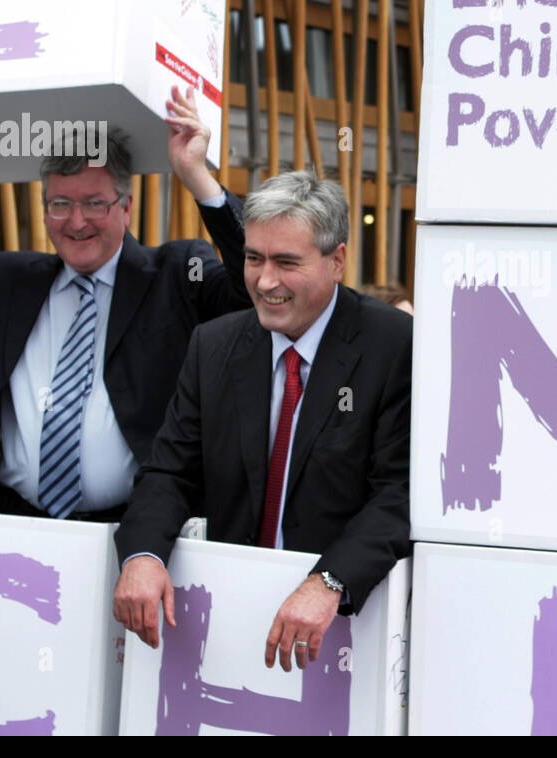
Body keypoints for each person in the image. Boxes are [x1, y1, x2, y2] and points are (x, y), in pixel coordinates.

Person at [0, 87, 250, 519]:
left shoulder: (178, 274)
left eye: (94, 204)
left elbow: (254, 290)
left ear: (127, 207)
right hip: (15, 525)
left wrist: (197, 176)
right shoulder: (7, 283)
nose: (76, 221)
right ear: (45, 210)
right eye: (60, 204)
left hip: (137, 537)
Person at [112, 171, 411, 674]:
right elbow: (169, 472)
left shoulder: (394, 345)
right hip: (231, 625)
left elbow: (398, 492)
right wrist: (143, 555)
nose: (265, 281)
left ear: (336, 260)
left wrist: (330, 582)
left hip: (350, 633)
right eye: (254, 259)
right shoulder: (214, 346)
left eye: (286, 262)